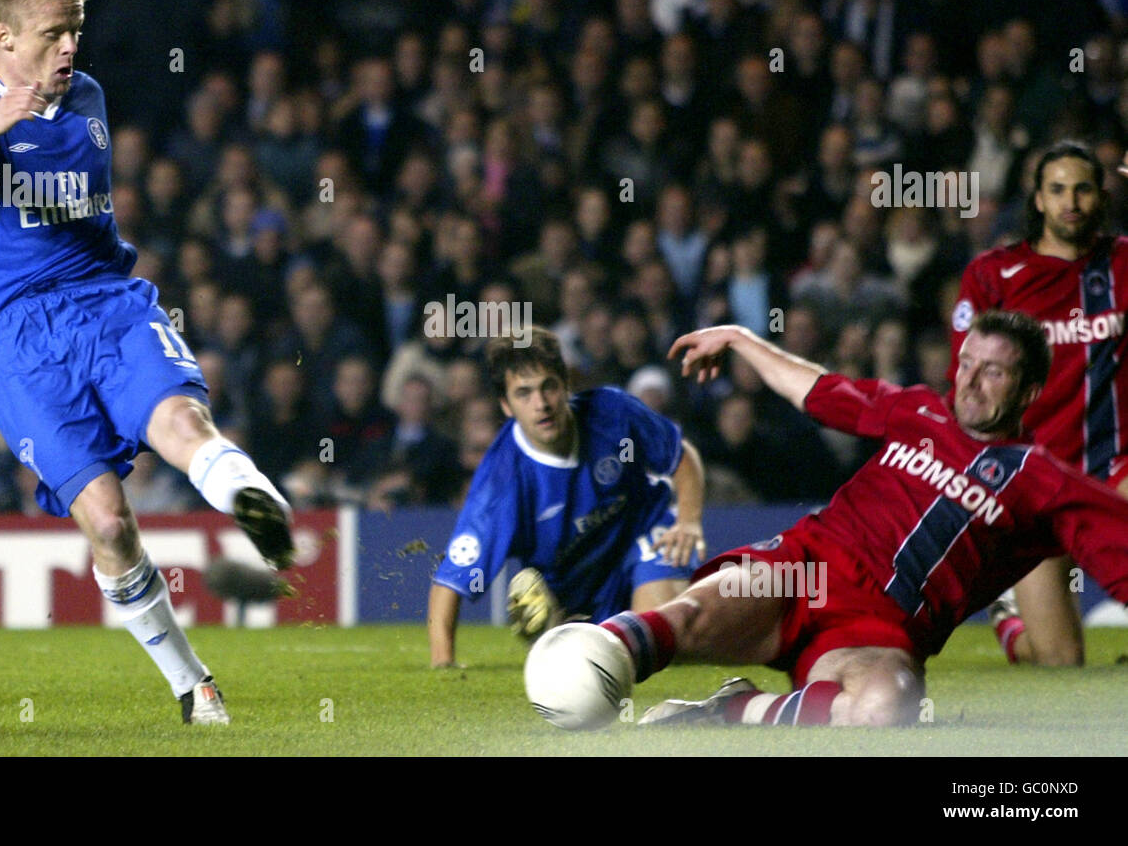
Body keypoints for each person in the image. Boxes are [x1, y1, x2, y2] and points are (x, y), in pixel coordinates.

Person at [0, 0, 294, 726]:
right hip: (18, 340)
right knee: (108, 521)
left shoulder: (85, 93)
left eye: (75, 33)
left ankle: (252, 499)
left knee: (182, 424)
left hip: (107, 304)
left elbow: (45, 212)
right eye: (54, 35)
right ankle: (194, 685)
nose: (69, 49)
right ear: (3, 35)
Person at [568, 312, 1128, 727]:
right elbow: (815, 390)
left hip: (880, 632)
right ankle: (583, 661)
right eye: (967, 364)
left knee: (888, 707)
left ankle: (728, 710)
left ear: (1029, 391)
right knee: (685, 616)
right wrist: (739, 338)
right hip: (802, 568)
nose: (971, 382)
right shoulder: (918, 410)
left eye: (994, 373)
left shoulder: (1043, 480)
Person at [427, 326, 707, 668]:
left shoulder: (612, 413)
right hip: (578, 593)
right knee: (619, 655)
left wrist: (689, 521)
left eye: (549, 387)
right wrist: (443, 664)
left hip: (645, 534)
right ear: (506, 405)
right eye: (524, 393)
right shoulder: (501, 483)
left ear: (565, 384)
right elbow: (450, 583)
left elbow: (681, 456)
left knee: (660, 639)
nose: (541, 404)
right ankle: (571, 631)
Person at [950, 141, 1128, 666]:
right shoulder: (993, 275)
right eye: (1057, 190)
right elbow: (962, 386)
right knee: (1060, 660)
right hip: (1031, 482)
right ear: (1038, 199)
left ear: (1101, 196)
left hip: (1112, 467)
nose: (1070, 201)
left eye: (1083, 189)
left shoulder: (1122, 264)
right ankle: (1008, 623)